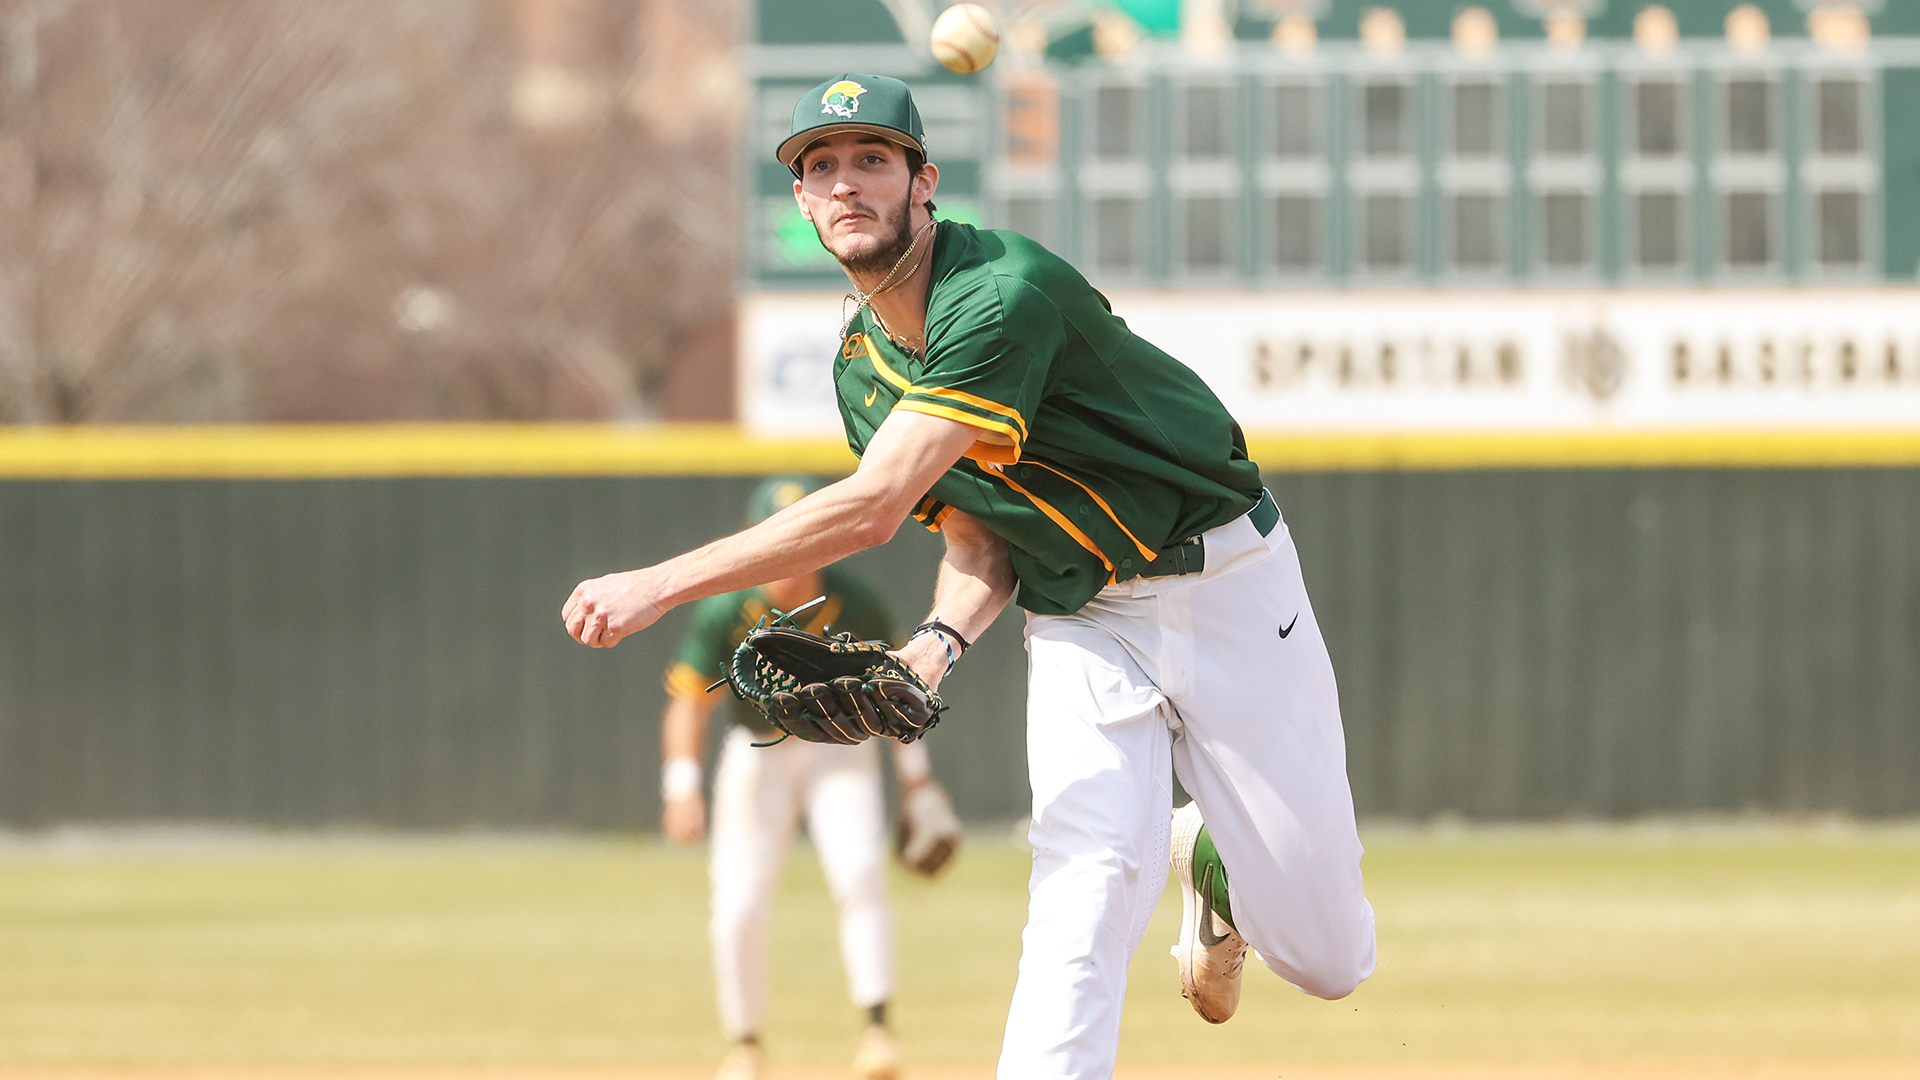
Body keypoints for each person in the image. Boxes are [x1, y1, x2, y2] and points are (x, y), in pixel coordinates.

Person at [566, 73, 1376, 1079]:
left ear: (924, 183)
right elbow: (981, 534)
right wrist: (933, 647)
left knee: (1329, 957)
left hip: (1228, 581)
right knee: (1082, 887)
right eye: (820, 167)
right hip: (1087, 618)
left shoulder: (999, 292)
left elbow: (869, 509)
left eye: (872, 159)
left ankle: (1216, 863)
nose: (845, 184)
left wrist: (659, 584)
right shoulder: (863, 373)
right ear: (803, 204)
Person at [658, 476, 962, 1080]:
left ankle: (877, 1033)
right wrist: (681, 786)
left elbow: (899, 693)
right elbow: (688, 704)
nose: (795, 559)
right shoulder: (727, 608)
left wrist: (917, 782)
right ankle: (744, 1044)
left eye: (807, 542)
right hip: (756, 753)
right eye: (782, 542)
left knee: (859, 874)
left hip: (840, 754)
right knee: (739, 901)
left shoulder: (856, 602)